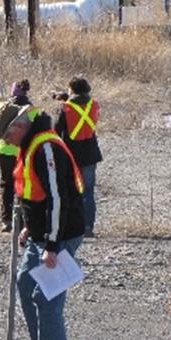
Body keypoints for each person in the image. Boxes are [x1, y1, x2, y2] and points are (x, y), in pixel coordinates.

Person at [3, 104, 85, 340]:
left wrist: (52, 245)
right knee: (25, 284)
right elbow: (34, 193)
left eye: (8, 135)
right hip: (41, 232)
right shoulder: (30, 144)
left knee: (46, 298)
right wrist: (30, 225)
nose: (8, 142)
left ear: (19, 126)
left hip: (62, 233)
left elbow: (58, 198)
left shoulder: (46, 147)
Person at [55, 77, 102, 238]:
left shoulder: (65, 108)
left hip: (71, 155)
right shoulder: (94, 105)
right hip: (90, 154)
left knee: (70, 191)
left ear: (71, 90)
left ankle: (71, 226)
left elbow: (56, 130)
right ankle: (88, 227)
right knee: (88, 193)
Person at [0, 79, 31, 232]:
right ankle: (23, 221)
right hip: (23, 152)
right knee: (23, 185)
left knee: (6, 184)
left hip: (4, 151)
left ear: (13, 92)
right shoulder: (32, 109)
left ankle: (6, 220)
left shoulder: (3, 106)